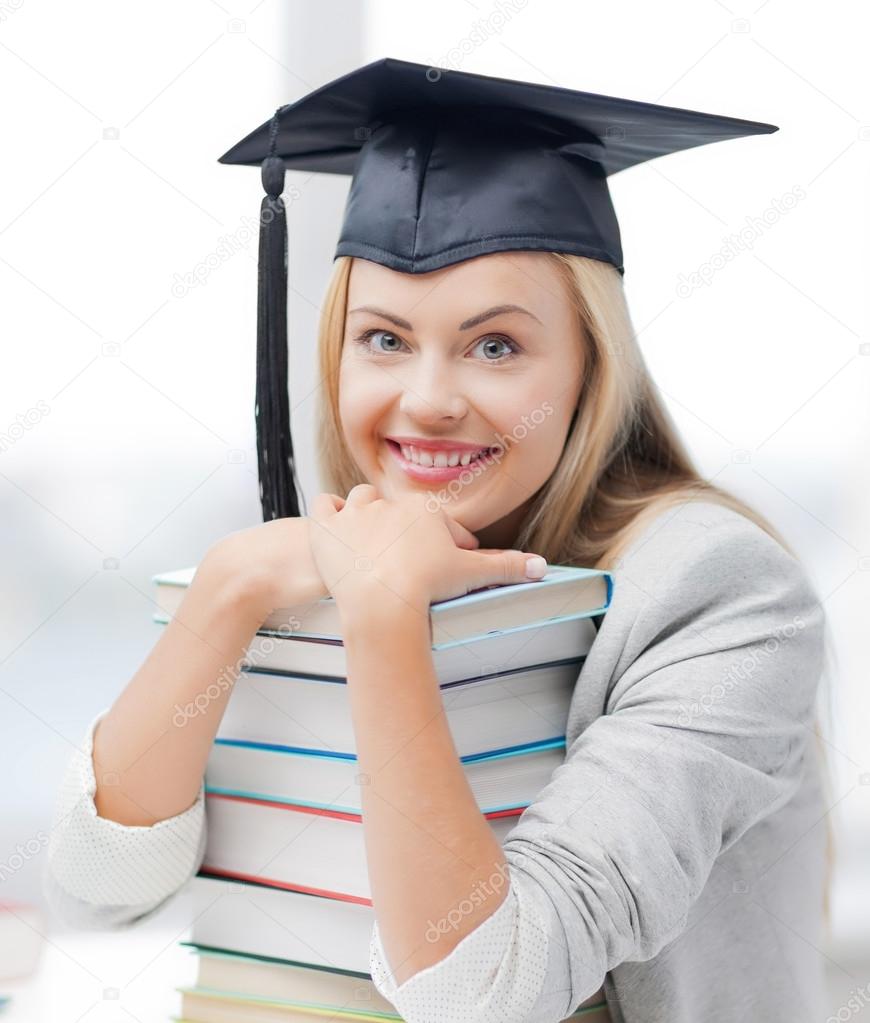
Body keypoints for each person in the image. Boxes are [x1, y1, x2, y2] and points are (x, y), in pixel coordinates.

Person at [45, 58, 834, 1023]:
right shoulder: (301, 561)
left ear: (592, 364)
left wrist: (385, 618)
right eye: (382, 338)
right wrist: (223, 596)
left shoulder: (720, 590)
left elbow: (486, 994)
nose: (426, 400)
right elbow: (98, 895)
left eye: (495, 346)